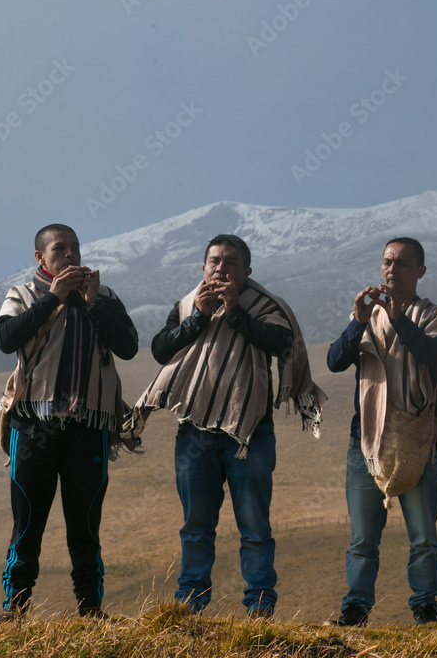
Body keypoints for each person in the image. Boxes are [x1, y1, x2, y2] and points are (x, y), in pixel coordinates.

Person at [130, 234, 325, 619]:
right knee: (196, 525)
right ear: (203, 267)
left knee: (254, 525)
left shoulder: (266, 306)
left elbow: (281, 342)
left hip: (249, 434)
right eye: (215, 261)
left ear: (246, 271)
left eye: (231, 263)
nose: (221, 269)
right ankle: (190, 602)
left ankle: (259, 606)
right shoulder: (187, 304)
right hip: (193, 432)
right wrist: (199, 318)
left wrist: (235, 312)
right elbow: (160, 349)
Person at [326, 237, 437, 627]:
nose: (391, 270)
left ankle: (425, 609)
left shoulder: (433, 315)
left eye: (401, 264)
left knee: (423, 536)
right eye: (386, 262)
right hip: (366, 440)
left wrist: (399, 318)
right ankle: (356, 609)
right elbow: (334, 361)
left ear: (420, 271)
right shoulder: (369, 317)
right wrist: (359, 321)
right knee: (363, 539)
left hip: (418, 435)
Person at [0, 223, 138, 622]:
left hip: (88, 431)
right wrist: (53, 299)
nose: (71, 255)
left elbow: (129, 346)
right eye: (60, 249)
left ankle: (90, 609)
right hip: (34, 427)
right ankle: (15, 609)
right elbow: (5, 338)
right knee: (27, 523)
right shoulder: (22, 294)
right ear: (41, 257)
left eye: (75, 247)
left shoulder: (104, 296)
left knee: (85, 526)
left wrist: (94, 305)